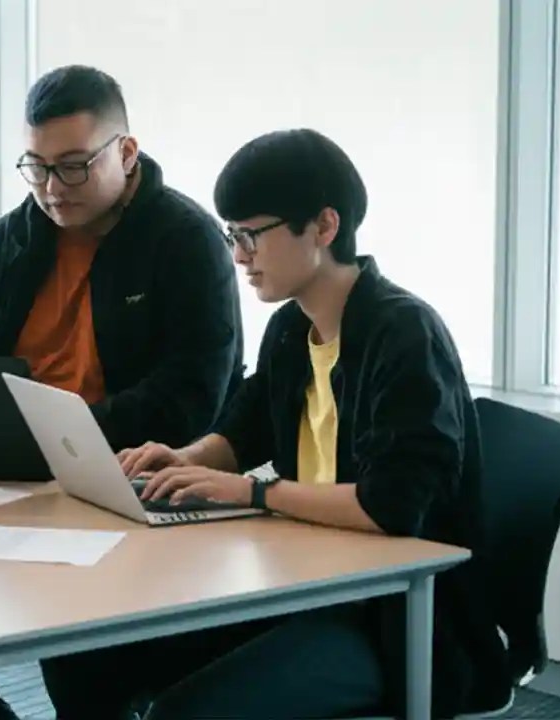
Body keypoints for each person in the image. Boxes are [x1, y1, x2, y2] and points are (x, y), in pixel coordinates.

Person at [38, 129, 511, 719]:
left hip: (391, 616)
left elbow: (392, 506)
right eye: (231, 235)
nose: (238, 256)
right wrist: (183, 459)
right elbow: (242, 433)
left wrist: (255, 493)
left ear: (323, 227)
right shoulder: (292, 328)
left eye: (251, 235)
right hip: (303, 584)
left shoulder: (404, 334)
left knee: (185, 713)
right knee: (80, 657)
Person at [0, 64, 244, 720]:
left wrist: (61, 437)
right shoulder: (12, 239)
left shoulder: (185, 240)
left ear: (125, 152)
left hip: (128, 485)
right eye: (35, 167)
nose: (51, 188)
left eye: (72, 166)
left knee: (82, 656)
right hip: (17, 477)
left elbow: (189, 400)